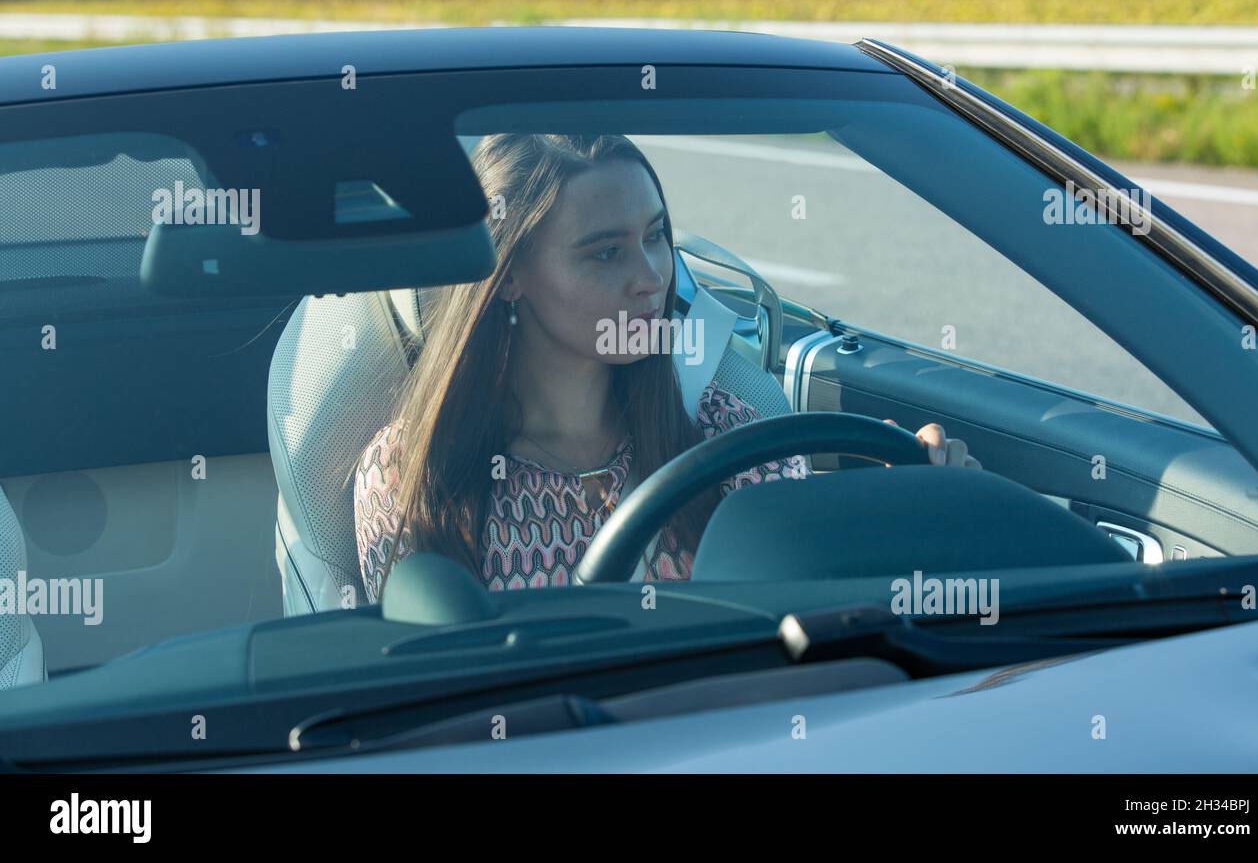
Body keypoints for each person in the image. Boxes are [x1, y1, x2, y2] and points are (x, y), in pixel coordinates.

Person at [354, 133, 978, 601]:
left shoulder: (728, 434)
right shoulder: (416, 473)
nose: (652, 279)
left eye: (656, 237)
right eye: (605, 253)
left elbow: (805, 609)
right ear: (510, 275)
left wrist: (916, 510)